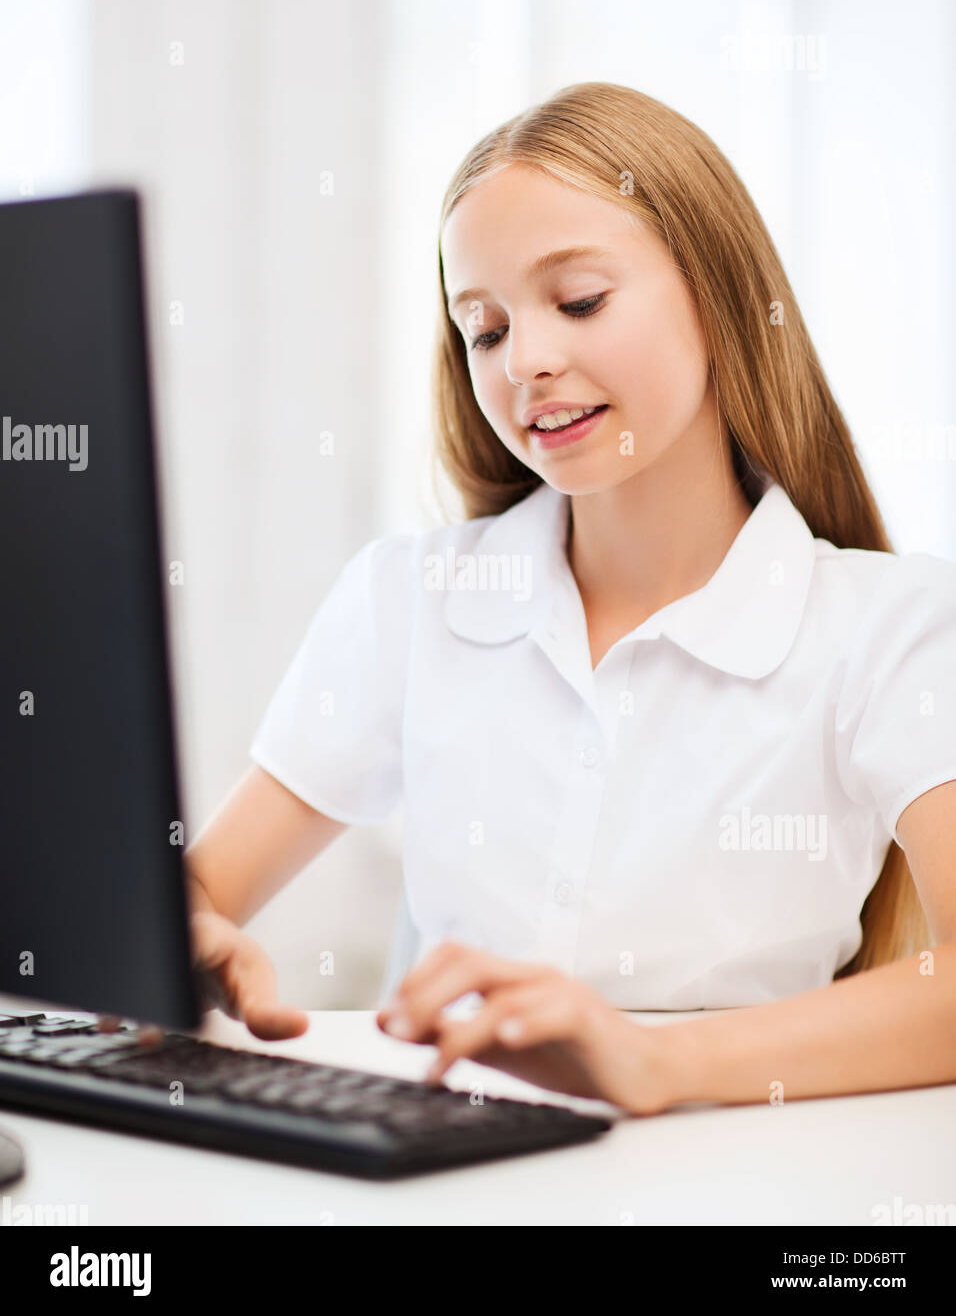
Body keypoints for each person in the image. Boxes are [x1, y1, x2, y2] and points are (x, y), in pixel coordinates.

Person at [185, 82, 956, 1114]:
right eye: (485, 328)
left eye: (578, 300)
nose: (527, 361)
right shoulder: (410, 600)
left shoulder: (888, 624)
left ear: (719, 294)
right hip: (455, 1176)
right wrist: (184, 943)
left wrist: (653, 1064)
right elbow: (195, 894)